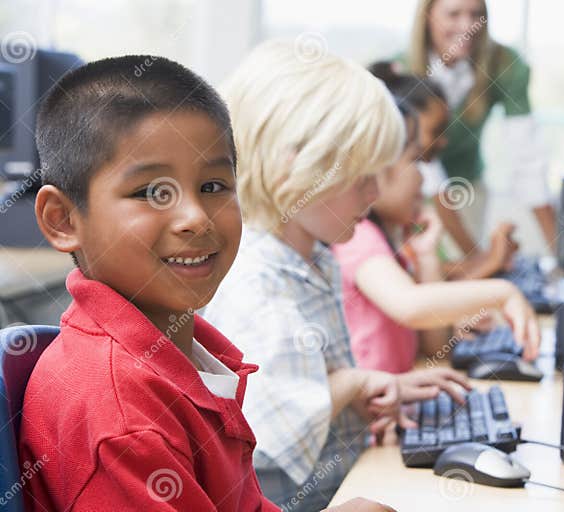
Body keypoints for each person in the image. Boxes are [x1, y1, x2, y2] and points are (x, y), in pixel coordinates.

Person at [21, 54, 391, 512]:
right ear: (62, 219)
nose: (195, 218)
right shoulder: (121, 418)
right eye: (152, 192)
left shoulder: (185, 350)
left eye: (214, 186)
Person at [203, 40, 463, 511]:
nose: (375, 191)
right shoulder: (257, 280)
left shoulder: (314, 258)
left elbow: (309, 385)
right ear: (297, 167)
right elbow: (272, 430)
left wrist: (369, 392)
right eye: (363, 177)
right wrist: (357, 384)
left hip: (341, 484)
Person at [332, 97, 540, 376]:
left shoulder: (387, 241)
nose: (423, 178)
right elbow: (409, 305)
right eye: (415, 160)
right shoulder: (358, 239)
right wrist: (503, 293)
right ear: (376, 169)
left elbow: (435, 342)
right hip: (373, 412)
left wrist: (427, 253)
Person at [399, 0, 557, 254]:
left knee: (463, 274)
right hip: (412, 191)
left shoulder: (504, 63)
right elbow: (428, 174)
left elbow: (528, 160)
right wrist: (479, 260)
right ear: (427, 17)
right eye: (453, 14)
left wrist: (559, 254)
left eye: (476, 15)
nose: (468, 26)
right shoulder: (402, 71)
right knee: (431, 268)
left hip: (468, 187)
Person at [368, 61, 519, 280]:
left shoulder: (411, 204)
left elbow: (434, 276)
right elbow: (421, 298)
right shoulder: (369, 237)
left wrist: (491, 260)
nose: (444, 142)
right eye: (436, 131)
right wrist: (491, 262)